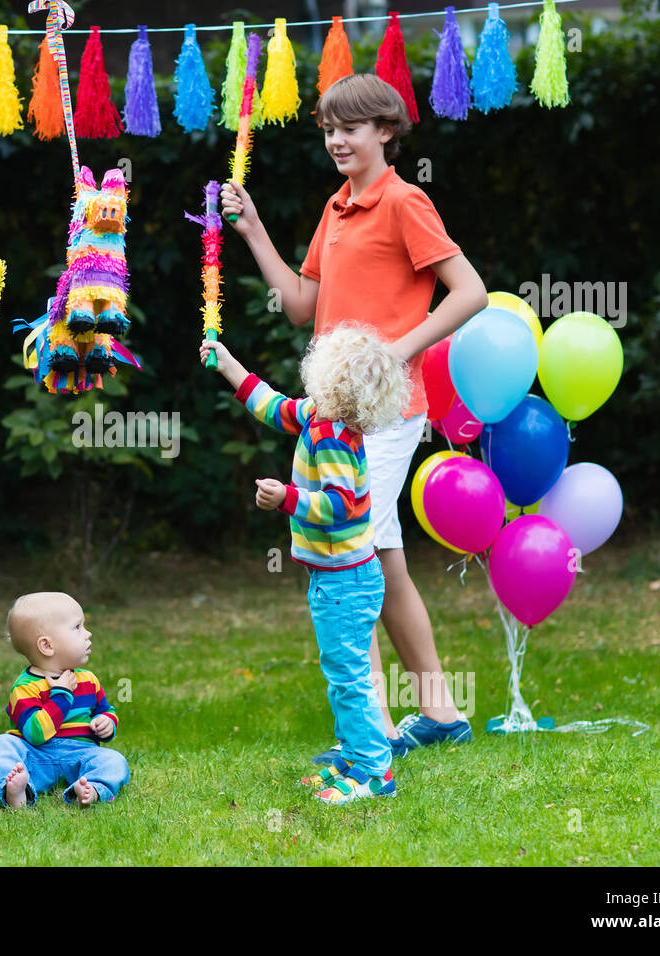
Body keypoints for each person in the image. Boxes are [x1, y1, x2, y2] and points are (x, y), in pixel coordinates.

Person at [220, 73, 488, 759]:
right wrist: (252, 231)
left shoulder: (404, 201)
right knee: (384, 557)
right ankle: (440, 712)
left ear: (387, 132)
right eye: (329, 128)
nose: (337, 139)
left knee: (344, 553)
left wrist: (392, 354)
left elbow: (470, 292)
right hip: (333, 411)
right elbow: (302, 305)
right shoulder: (336, 206)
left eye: (352, 127)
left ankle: (374, 731)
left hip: (385, 410)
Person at [202, 327, 408, 803]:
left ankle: (376, 771)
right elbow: (272, 407)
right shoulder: (319, 416)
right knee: (341, 674)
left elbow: (341, 505)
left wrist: (286, 498)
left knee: (349, 676)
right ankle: (356, 759)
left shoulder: (335, 435)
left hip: (347, 581)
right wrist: (228, 362)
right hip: (337, 578)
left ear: (333, 379)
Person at [0, 591, 129, 809]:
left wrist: (107, 722)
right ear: (47, 646)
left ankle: (91, 789)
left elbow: (105, 709)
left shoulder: (88, 680)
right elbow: (35, 734)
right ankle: (15, 790)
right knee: (1, 746)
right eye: (78, 627)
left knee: (115, 760)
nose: (88, 634)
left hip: (81, 756)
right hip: (36, 758)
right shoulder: (25, 688)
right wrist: (61, 695)